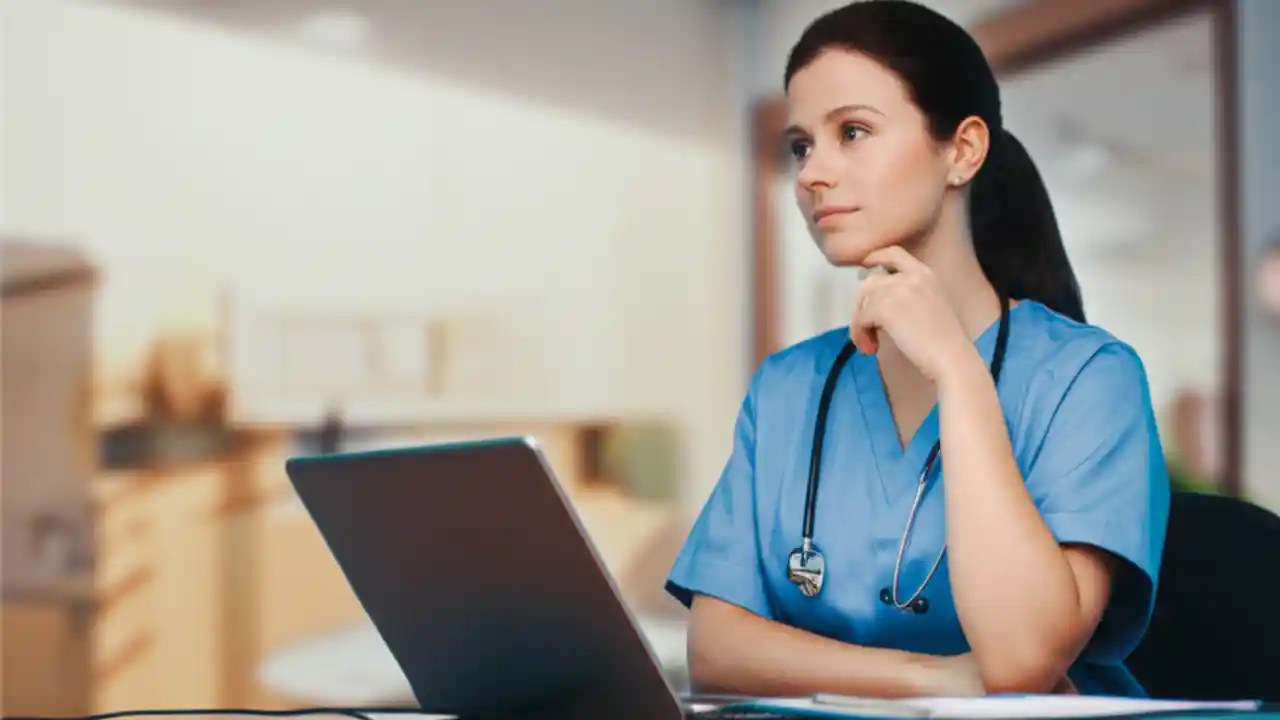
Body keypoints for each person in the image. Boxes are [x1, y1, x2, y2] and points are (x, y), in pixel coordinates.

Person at [665, 0, 1170, 699]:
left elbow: (1024, 659)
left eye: (853, 131)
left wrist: (958, 372)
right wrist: (937, 679)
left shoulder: (1090, 378)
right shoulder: (787, 387)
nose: (812, 174)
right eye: (801, 145)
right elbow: (716, 651)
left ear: (962, 150)